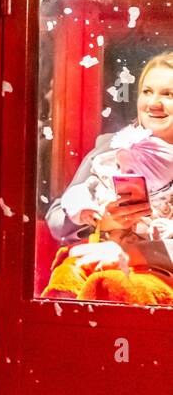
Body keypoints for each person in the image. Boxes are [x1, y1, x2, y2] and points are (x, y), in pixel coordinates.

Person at [42, 52, 173, 305]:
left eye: (169, 94)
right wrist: (102, 218)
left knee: (113, 286)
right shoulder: (110, 151)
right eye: (147, 92)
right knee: (69, 278)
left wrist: (129, 252)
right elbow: (57, 219)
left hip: (157, 281)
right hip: (99, 261)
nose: (154, 103)